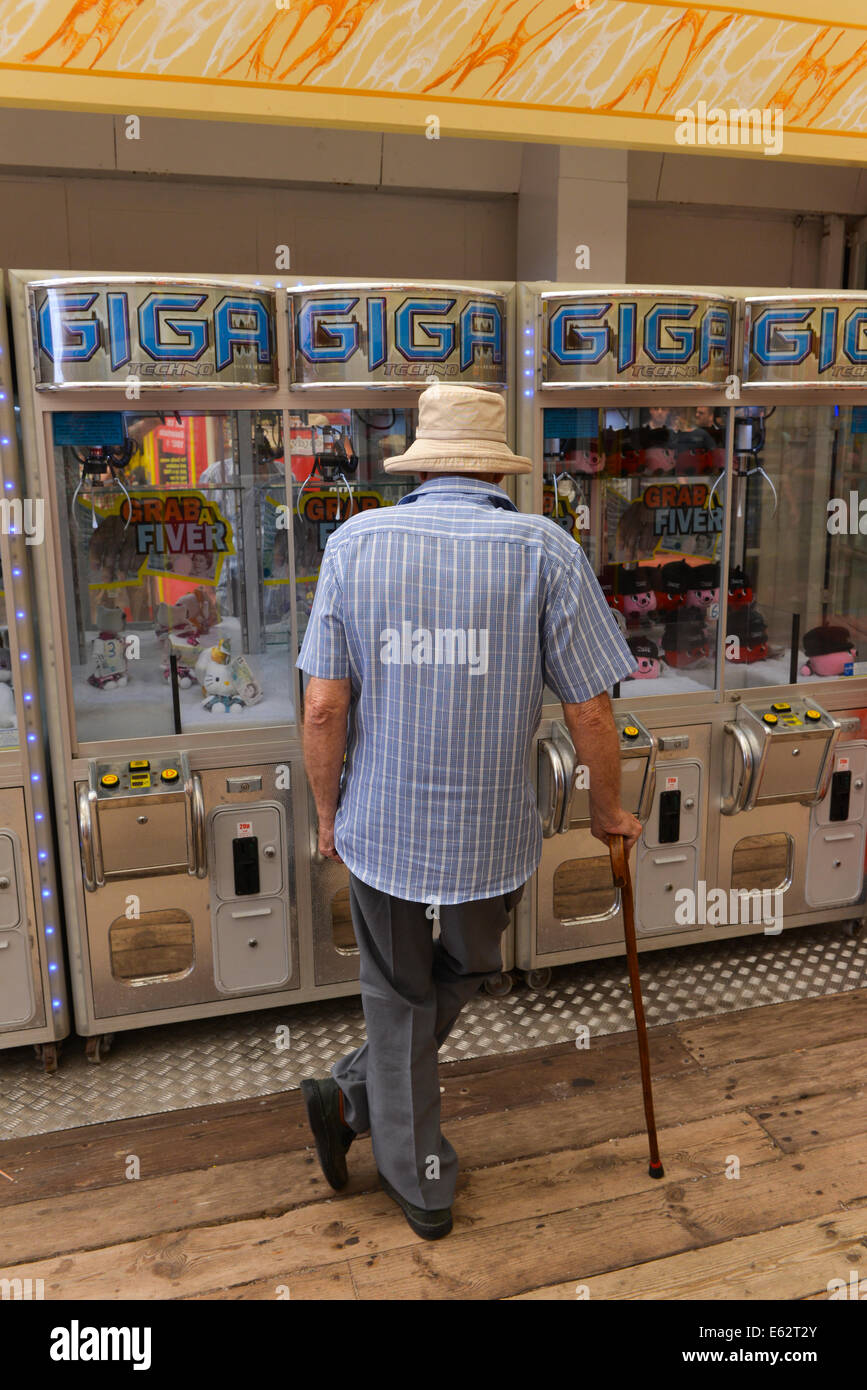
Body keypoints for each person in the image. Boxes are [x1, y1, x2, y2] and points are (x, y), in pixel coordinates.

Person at [297, 383, 642, 1241]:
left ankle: (352, 1095)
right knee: (463, 970)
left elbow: (322, 708)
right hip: (493, 833)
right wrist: (610, 810)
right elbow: (590, 709)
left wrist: (325, 814)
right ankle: (420, 1177)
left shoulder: (355, 542)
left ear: (421, 460)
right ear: (496, 467)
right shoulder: (545, 549)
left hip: (380, 825)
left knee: (400, 991)